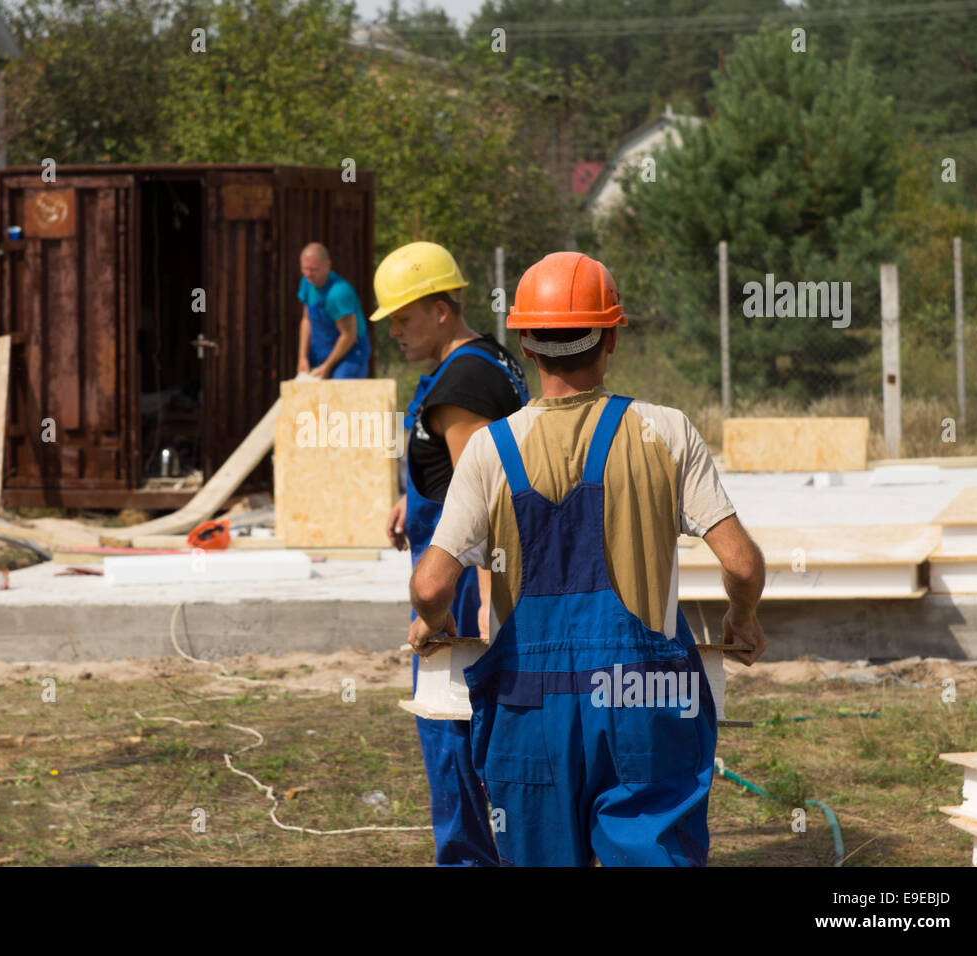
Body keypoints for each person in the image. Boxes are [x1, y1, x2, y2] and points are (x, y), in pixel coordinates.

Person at [408, 251, 768, 866]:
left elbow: (431, 583)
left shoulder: (491, 450)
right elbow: (740, 564)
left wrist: (435, 621)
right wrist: (743, 617)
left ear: (525, 342)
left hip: (530, 710)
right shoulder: (667, 431)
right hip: (645, 702)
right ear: (611, 339)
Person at [369, 241, 529, 866]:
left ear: (441, 309)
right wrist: (414, 498)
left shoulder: (461, 384)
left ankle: (471, 860)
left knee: (452, 723)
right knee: (470, 722)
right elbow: (455, 476)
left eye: (403, 320)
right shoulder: (485, 360)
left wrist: (477, 601)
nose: (396, 333)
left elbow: (484, 501)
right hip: (456, 567)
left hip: (459, 581)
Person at [296, 242, 370, 379]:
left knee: (340, 393)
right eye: (305, 269)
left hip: (350, 353)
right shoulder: (307, 283)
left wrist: (327, 366)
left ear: (327, 265)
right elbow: (306, 320)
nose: (308, 274)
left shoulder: (338, 293)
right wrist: (302, 358)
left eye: (314, 269)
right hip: (322, 350)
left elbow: (348, 335)